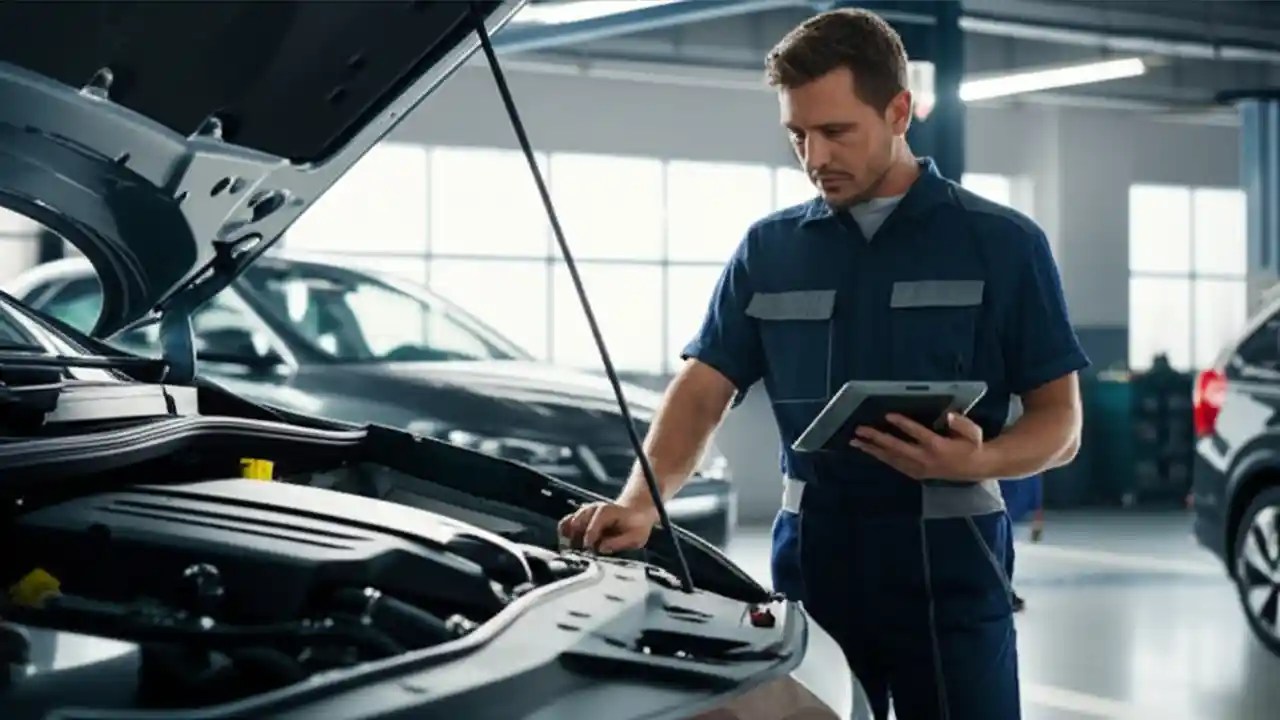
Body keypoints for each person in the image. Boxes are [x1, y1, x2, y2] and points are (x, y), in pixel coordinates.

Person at [558, 9, 1087, 720]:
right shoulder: (768, 251)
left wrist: (977, 459)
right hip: (815, 563)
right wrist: (641, 502)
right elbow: (703, 389)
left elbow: (1061, 424)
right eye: (798, 135)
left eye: (837, 132)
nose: (815, 157)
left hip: (952, 561)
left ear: (899, 112)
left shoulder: (1003, 243)